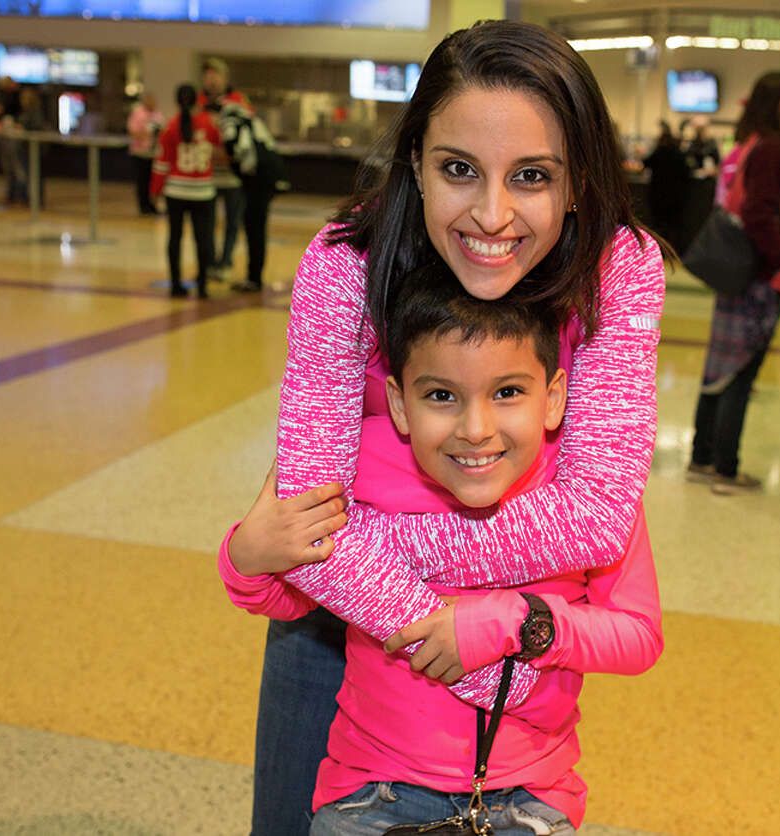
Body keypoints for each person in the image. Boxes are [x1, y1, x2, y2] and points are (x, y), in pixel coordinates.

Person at [215, 20, 665, 836]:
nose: (492, 215)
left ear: (577, 184)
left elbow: (599, 514)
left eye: (530, 176)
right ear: (414, 161)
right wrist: (479, 662)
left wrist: (479, 616)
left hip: (473, 624)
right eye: (459, 169)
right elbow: (308, 514)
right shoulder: (347, 262)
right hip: (340, 621)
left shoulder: (618, 267)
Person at [229, 265, 662, 836]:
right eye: (441, 396)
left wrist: (521, 622)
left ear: (554, 397)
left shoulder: (587, 493)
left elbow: (638, 635)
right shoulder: (359, 471)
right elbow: (295, 595)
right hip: (370, 795)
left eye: (507, 392)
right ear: (400, 404)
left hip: (529, 799)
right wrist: (247, 557)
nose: (475, 429)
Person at [686, 71, 780, 495]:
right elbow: (760, 213)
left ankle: (702, 457)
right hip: (757, 279)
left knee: (719, 370)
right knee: (739, 375)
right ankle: (725, 467)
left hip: (741, 275)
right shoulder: (773, 151)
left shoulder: (753, 145)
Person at [151, 83, 220, 299]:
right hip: (203, 192)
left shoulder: (170, 127)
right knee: (203, 239)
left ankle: (175, 284)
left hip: (176, 191)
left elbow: (162, 163)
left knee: (175, 238)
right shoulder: (208, 125)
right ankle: (202, 285)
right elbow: (219, 145)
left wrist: (155, 190)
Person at [218, 97, 286, 292]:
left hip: (258, 182)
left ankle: (254, 278)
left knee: (254, 227)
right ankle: (254, 276)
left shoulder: (231, 121)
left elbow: (235, 149)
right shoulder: (250, 120)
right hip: (266, 180)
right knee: (256, 226)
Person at [201, 57, 248, 281]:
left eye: (215, 74)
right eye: (207, 74)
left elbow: (244, 133)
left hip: (232, 176)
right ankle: (209, 263)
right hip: (207, 175)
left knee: (232, 222)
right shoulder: (199, 102)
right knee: (206, 223)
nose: (211, 79)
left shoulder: (238, 102)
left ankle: (225, 263)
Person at [642, 121, 691, 253]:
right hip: (676, 197)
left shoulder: (659, 152)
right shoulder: (679, 154)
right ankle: (673, 251)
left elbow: (645, 163)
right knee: (674, 226)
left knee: (658, 224)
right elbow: (687, 173)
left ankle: (658, 250)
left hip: (658, 195)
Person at [127, 92, 163, 215]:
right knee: (142, 181)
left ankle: (153, 205)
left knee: (153, 181)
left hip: (154, 153)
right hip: (140, 153)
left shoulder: (157, 114)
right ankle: (143, 206)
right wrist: (146, 133)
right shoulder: (138, 113)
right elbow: (132, 132)